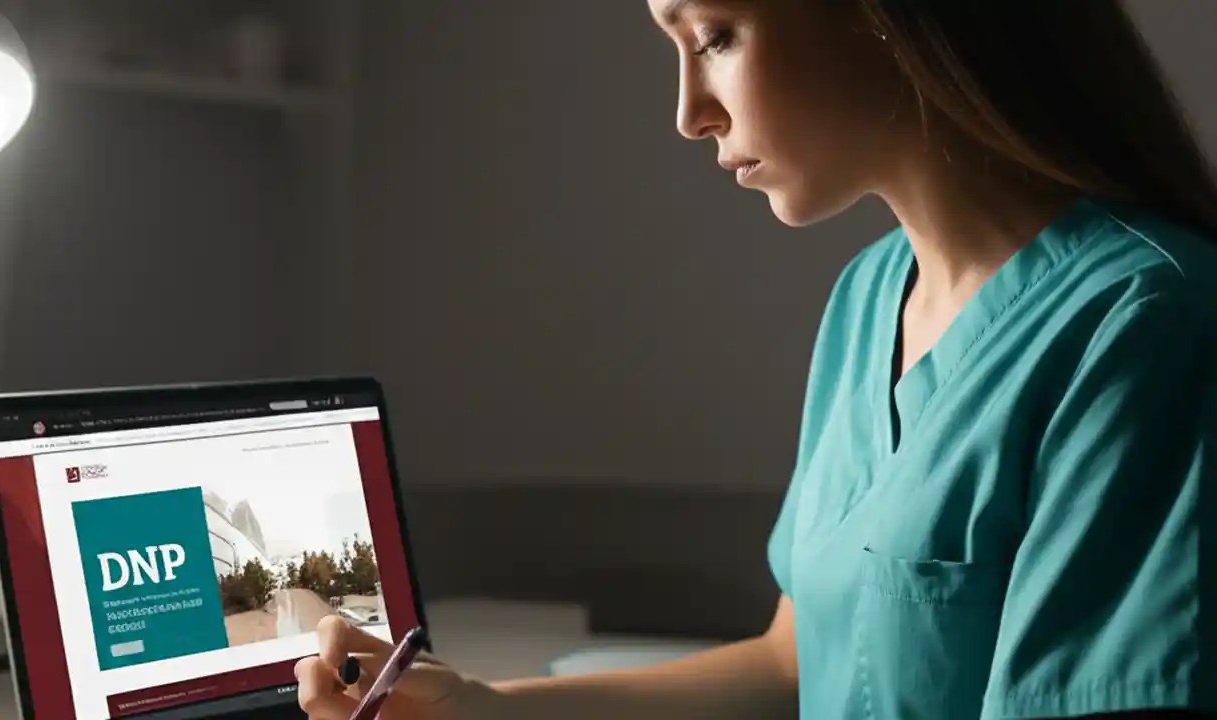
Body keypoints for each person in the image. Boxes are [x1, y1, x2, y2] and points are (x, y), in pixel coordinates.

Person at [296, 0, 1216, 717]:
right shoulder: (868, 297)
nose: (689, 114)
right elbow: (793, 665)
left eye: (716, 37)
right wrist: (481, 708)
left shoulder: (1143, 324)